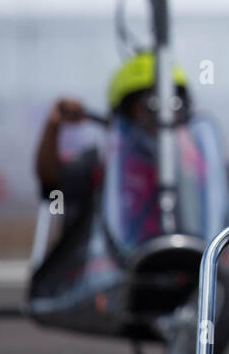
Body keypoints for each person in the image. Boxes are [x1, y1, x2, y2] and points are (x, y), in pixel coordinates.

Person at [34, 52, 188, 228]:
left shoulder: (199, 164)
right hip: (115, 255)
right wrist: (53, 126)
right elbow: (50, 178)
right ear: (125, 111)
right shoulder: (103, 164)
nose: (160, 115)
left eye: (171, 102)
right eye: (148, 104)